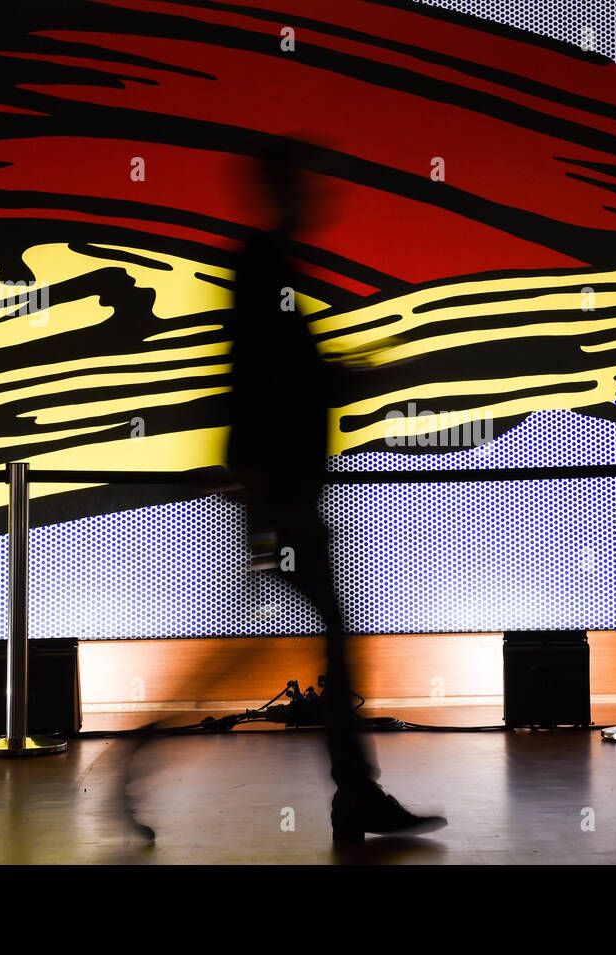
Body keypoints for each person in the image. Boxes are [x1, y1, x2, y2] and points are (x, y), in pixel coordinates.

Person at [227, 139, 446, 843]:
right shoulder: (265, 271)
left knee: (306, 639)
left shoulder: (265, 269)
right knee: (318, 638)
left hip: (281, 495)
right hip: (282, 497)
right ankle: (354, 793)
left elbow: (269, 381)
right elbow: (267, 384)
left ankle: (356, 792)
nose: (316, 198)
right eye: (304, 186)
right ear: (282, 191)